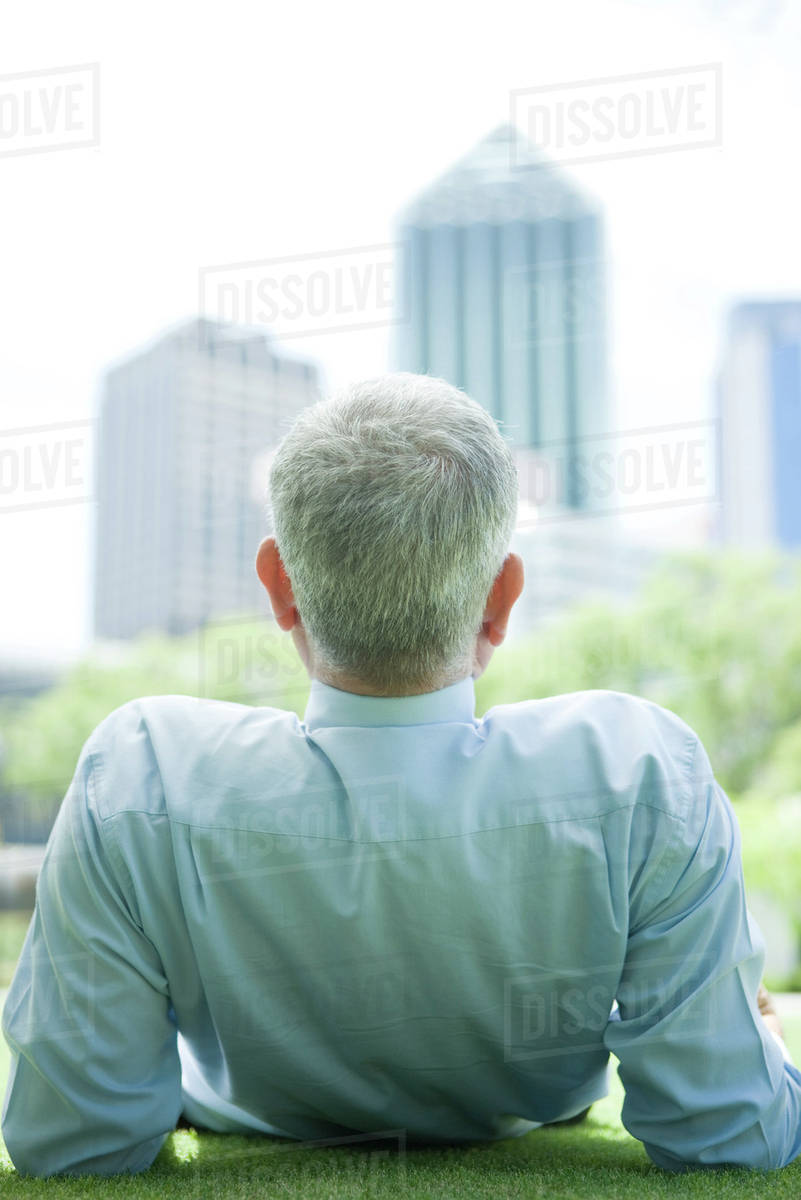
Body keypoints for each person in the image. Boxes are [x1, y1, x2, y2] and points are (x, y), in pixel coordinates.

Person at [2, 373, 800, 1177]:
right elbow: (730, 1141)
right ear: (502, 597)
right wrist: (759, 1042)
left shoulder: (137, 774)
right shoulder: (643, 771)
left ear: (278, 587)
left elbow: (75, 1147)